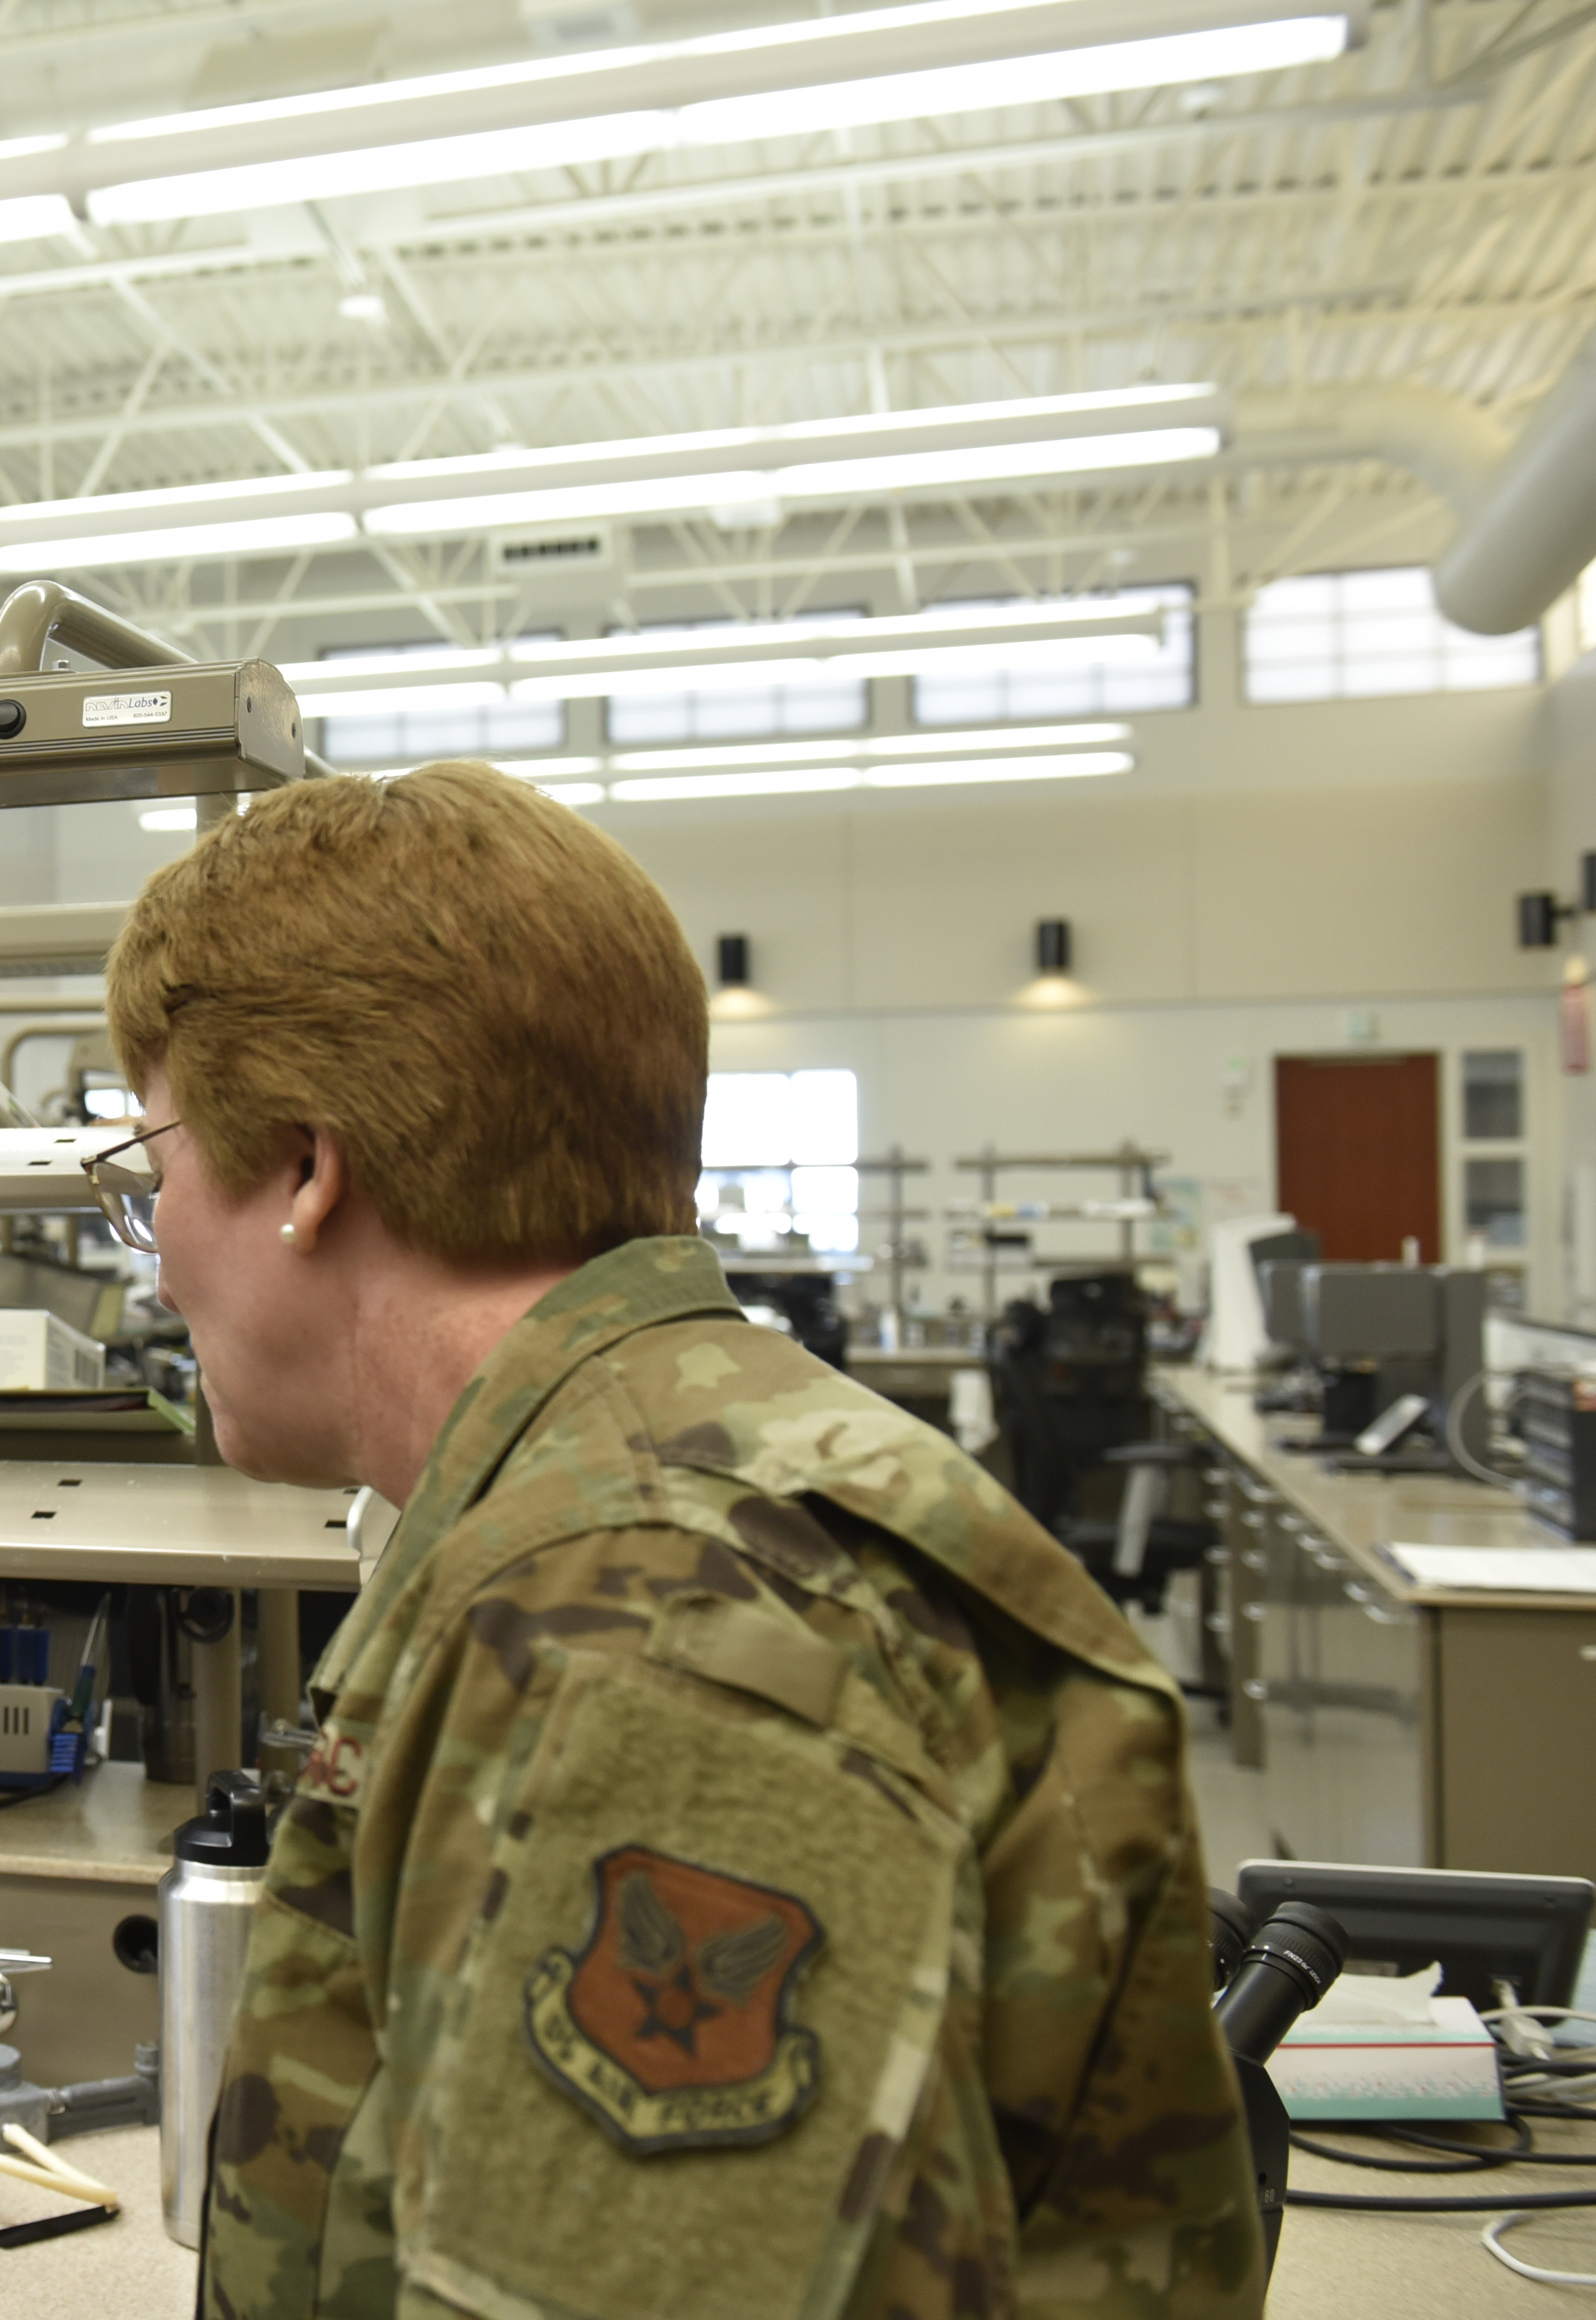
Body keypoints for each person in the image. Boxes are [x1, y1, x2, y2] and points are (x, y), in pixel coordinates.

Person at [93, 766, 1260, 2318]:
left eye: (151, 1175)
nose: (156, 1260)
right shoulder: (641, 1495)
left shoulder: (645, 1617)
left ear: (306, 1169)